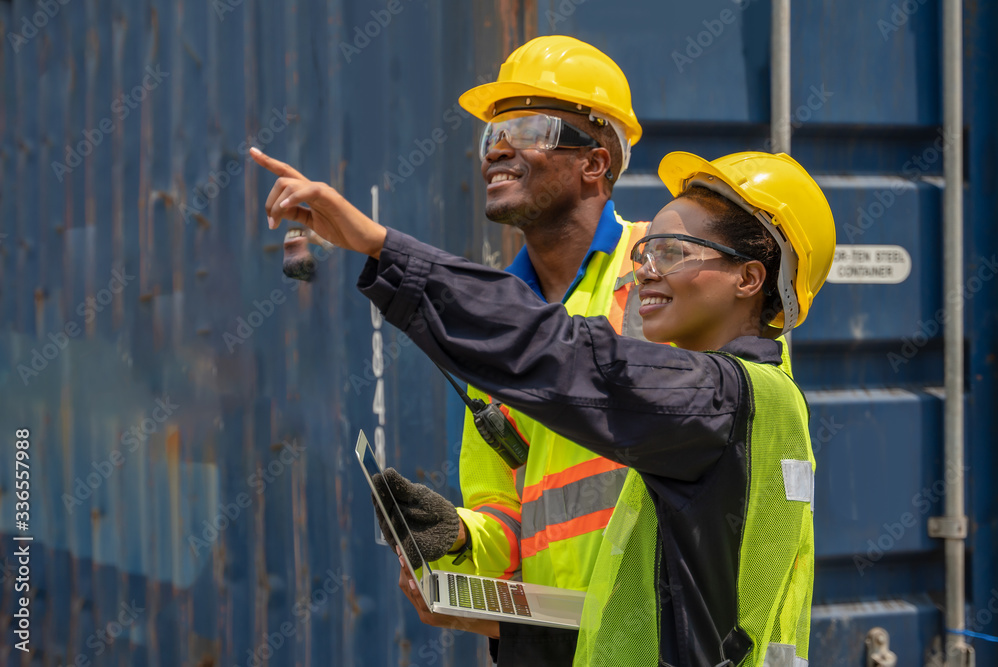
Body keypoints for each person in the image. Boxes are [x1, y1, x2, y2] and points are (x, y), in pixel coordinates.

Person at [251, 145, 833, 665]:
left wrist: (379, 245)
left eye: (675, 252)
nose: (648, 268)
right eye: (648, 250)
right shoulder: (760, 399)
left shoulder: (718, 399)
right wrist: (463, 543)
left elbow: (565, 355)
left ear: (749, 278)